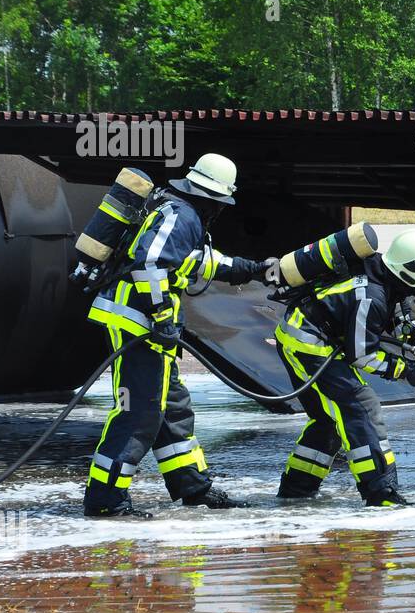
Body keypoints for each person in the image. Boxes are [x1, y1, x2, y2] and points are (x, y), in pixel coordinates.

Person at [84, 153, 274, 517]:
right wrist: (161, 317)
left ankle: (193, 487)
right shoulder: (184, 215)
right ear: (214, 197)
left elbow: (196, 262)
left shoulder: (179, 213)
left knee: (171, 409)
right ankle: (104, 499)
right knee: (138, 412)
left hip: (147, 326)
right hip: (137, 324)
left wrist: (252, 269)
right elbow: (150, 264)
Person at [273, 229, 415, 506]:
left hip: (300, 337)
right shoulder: (371, 295)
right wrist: (406, 371)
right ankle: (381, 493)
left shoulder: (385, 278)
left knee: (329, 422)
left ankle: (296, 491)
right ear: (412, 272)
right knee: (360, 408)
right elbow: (363, 356)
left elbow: (398, 321)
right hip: (308, 346)